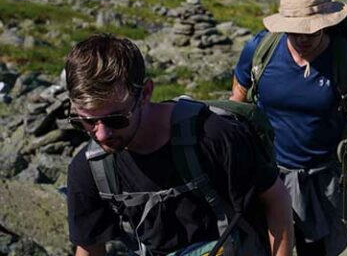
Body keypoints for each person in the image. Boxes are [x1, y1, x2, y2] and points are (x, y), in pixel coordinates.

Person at [65, 34, 294, 256]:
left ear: (145, 93)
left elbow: (276, 200)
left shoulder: (214, 136)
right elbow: (89, 246)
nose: (102, 134)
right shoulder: (89, 170)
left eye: (117, 119)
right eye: (86, 121)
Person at [231, 0, 347, 256]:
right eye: (294, 31)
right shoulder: (261, 50)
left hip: (320, 182)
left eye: (311, 31)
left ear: (327, 23)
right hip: (266, 175)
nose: (302, 39)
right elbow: (237, 103)